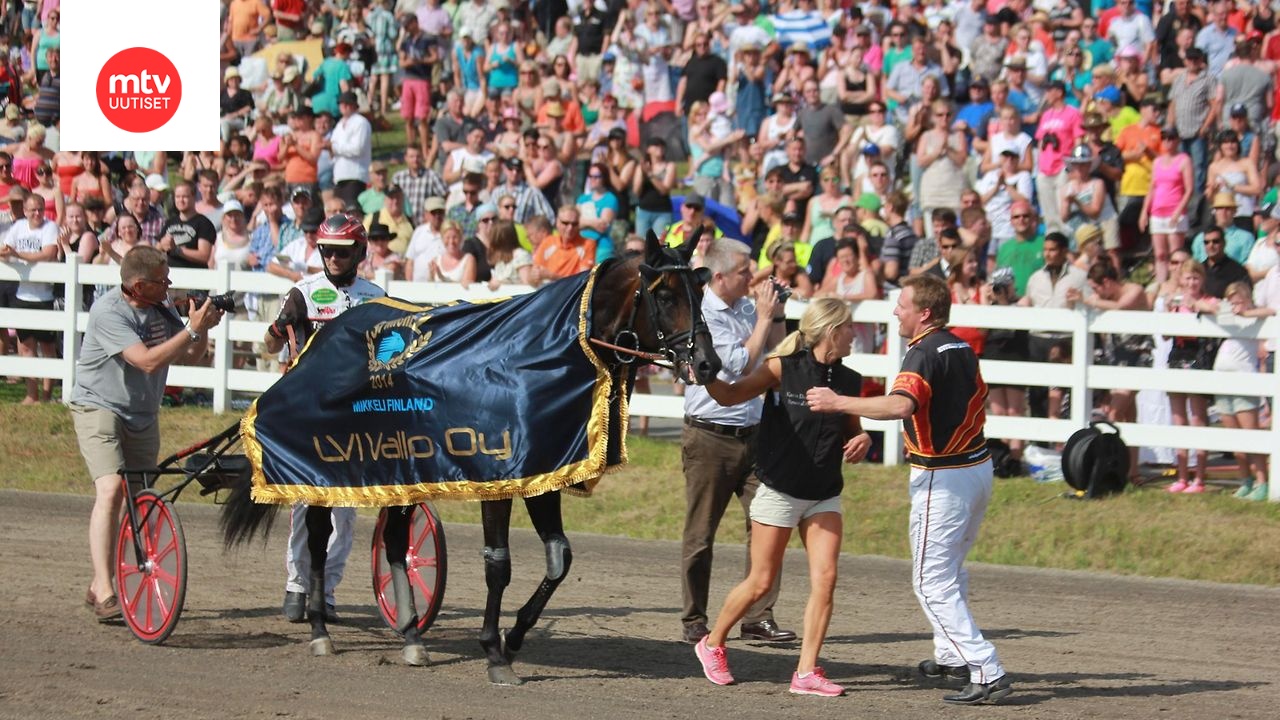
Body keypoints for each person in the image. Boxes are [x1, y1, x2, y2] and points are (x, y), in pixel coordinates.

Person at [806, 274, 1013, 706]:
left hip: (944, 476)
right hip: (976, 469)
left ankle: (984, 667)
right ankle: (952, 656)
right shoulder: (960, 347)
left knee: (929, 581)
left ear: (924, 312)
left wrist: (838, 402)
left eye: (901, 304)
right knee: (951, 571)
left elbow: (901, 405)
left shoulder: (922, 353)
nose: (894, 311)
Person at [692, 298, 869, 697]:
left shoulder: (850, 379)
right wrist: (702, 375)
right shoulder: (781, 368)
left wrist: (861, 438)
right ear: (830, 331)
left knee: (826, 579)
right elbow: (729, 397)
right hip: (780, 491)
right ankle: (712, 642)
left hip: (824, 493)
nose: (854, 335)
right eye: (849, 328)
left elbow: (853, 429)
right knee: (761, 581)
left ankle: (806, 672)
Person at [70, 246, 224, 620]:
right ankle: (105, 589)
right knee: (111, 490)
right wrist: (190, 329)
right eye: (161, 280)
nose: (169, 284)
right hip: (98, 407)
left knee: (143, 500)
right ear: (139, 286)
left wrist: (200, 330)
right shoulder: (110, 312)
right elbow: (148, 362)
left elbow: (191, 355)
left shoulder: (161, 306)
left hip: (141, 412)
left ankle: (102, 583)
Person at [264, 213, 386, 622]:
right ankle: (298, 583)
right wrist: (278, 330)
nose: (333, 258)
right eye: (327, 251)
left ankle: (326, 589)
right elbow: (269, 346)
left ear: (360, 252)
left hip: (356, 415)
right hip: (310, 411)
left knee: (345, 511)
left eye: (342, 251)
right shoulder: (302, 293)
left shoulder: (377, 296)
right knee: (306, 503)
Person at [681, 237, 795, 646]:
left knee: (769, 525)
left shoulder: (749, 307)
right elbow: (739, 364)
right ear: (720, 276)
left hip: (755, 433)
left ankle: (758, 616)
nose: (754, 276)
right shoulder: (702, 316)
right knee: (701, 533)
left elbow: (779, 353)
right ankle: (694, 618)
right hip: (710, 435)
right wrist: (764, 318)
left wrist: (776, 313)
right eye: (746, 271)